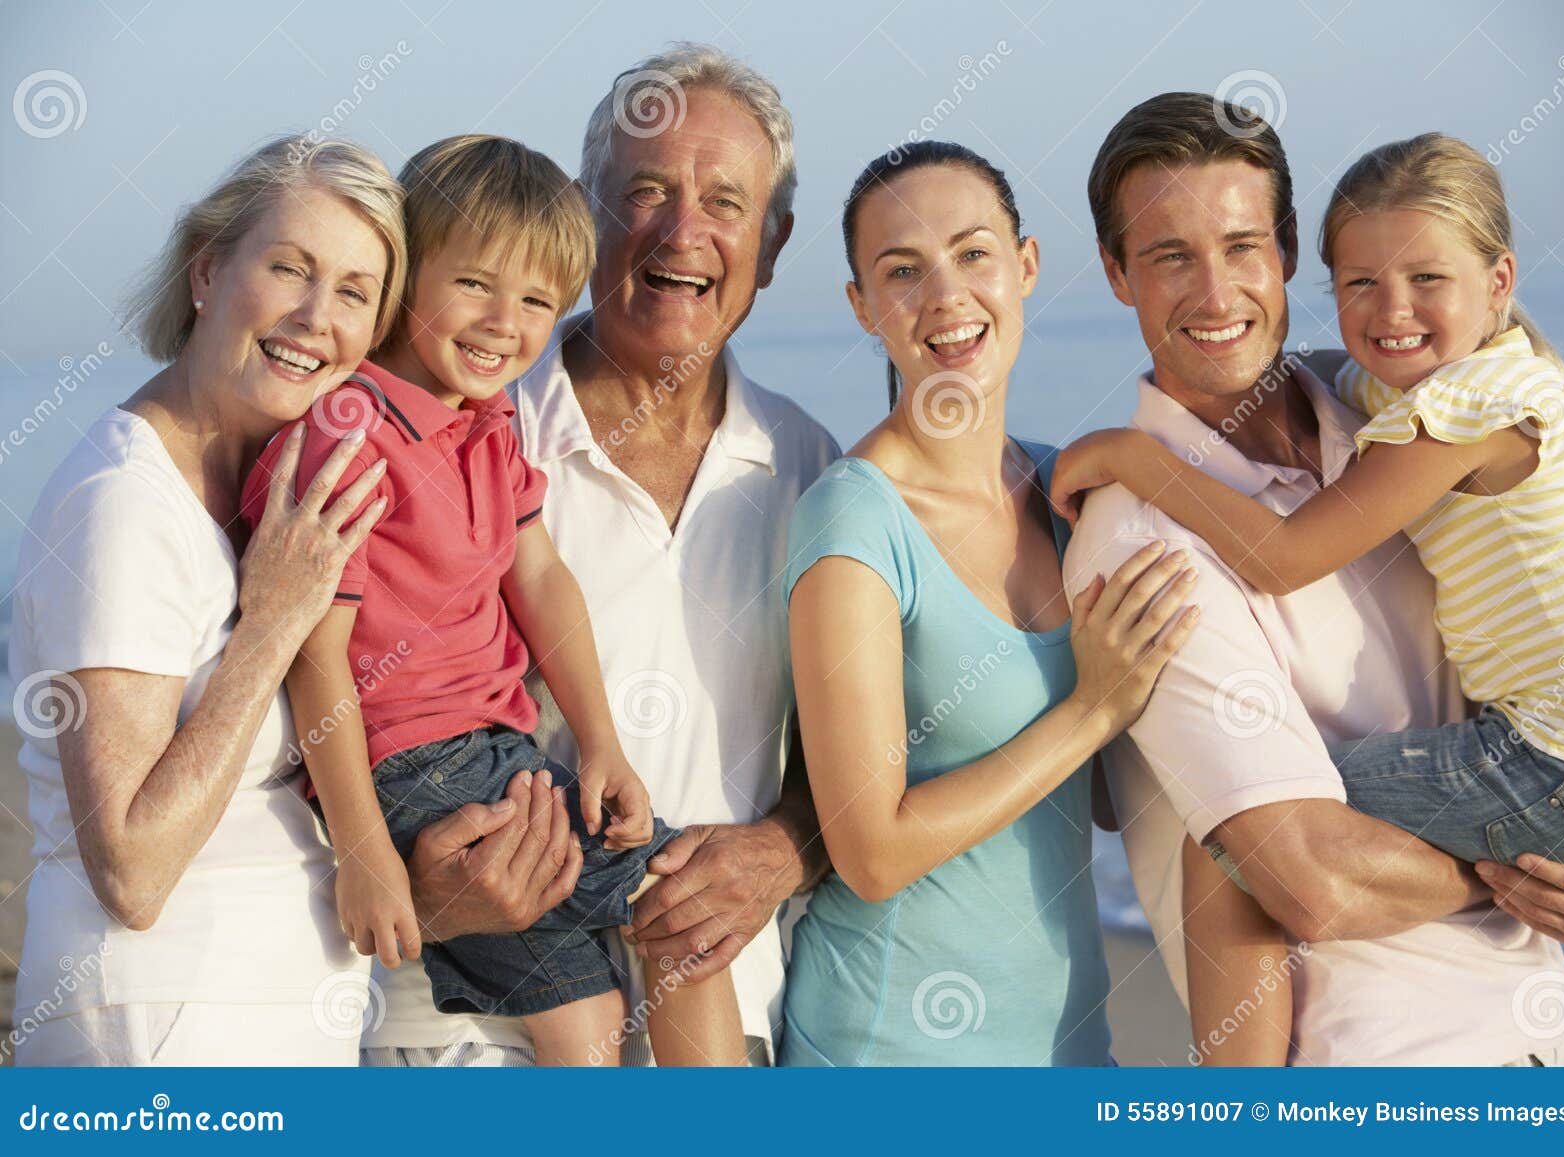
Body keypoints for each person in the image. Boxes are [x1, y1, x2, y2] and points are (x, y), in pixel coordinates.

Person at [1058, 92, 1564, 1067]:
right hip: (1383, 1074)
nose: (1216, 293)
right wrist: (1533, 857)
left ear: (1286, 251)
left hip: (1549, 1038)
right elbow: (1307, 880)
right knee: (1228, 850)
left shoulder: (1389, 414)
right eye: (1169, 255)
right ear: (1114, 272)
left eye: (1239, 246)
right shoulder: (1139, 535)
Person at [361, 44, 838, 1068]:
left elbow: (872, 752)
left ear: (775, 238)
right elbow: (308, 719)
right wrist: (424, 896)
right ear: (585, 215)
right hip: (463, 1041)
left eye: (724, 201)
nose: (682, 231)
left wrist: (785, 847)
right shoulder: (459, 437)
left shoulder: (811, 468)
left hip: (725, 1025)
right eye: (647, 191)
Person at [240, 135, 743, 1067]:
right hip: (411, 765)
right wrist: (362, 850)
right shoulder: (351, 431)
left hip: (495, 755)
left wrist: (600, 742)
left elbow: (542, 578)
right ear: (404, 279)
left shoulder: (490, 417)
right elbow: (314, 654)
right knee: (688, 904)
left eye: (539, 302)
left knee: (584, 1025)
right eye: (475, 284)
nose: (504, 323)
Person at [778, 141, 1197, 1066]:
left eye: (973, 254)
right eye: (902, 270)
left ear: (1028, 267)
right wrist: (1092, 707)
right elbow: (870, 851)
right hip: (887, 1055)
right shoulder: (852, 520)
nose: (946, 296)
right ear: (861, 306)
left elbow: (1111, 798)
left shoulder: (1065, 489)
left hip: (1068, 1039)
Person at [8, 137, 405, 1065]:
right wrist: (269, 626)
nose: (316, 317)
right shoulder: (122, 504)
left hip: (271, 1026)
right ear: (205, 271)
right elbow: (133, 871)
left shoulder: (273, 488)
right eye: (288, 268)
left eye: (353, 291)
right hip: (159, 1039)